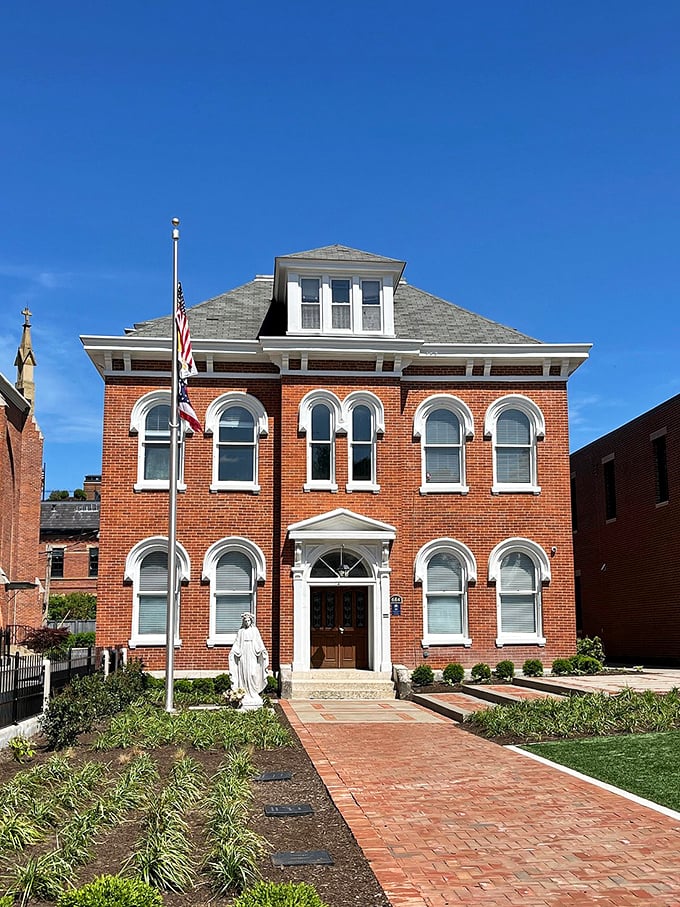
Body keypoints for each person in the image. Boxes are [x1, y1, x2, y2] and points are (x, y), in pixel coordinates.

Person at [228, 612, 269, 708]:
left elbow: (259, 641)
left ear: (251, 621)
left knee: (252, 673)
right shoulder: (241, 631)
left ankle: (253, 692)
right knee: (243, 674)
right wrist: (234, 651)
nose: (247, 622)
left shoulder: (255, 631)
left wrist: (262, 650)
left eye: (248, 620)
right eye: (245, 621)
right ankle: (244, 693)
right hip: (243, 654)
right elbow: (237, 642)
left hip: (252, 653)